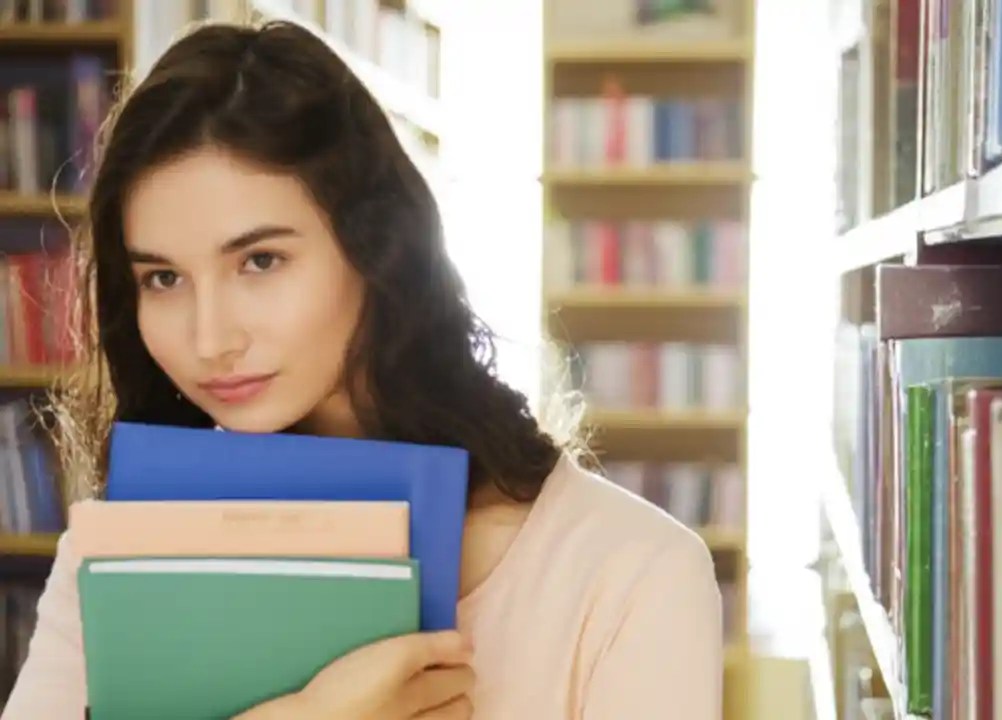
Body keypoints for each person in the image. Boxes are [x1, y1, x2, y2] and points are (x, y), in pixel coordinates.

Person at [1, 19, 723, 720]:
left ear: (378, 249)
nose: (209, 338)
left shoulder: (628, 571)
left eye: (260, 261)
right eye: (162, 278)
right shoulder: (122, 556)